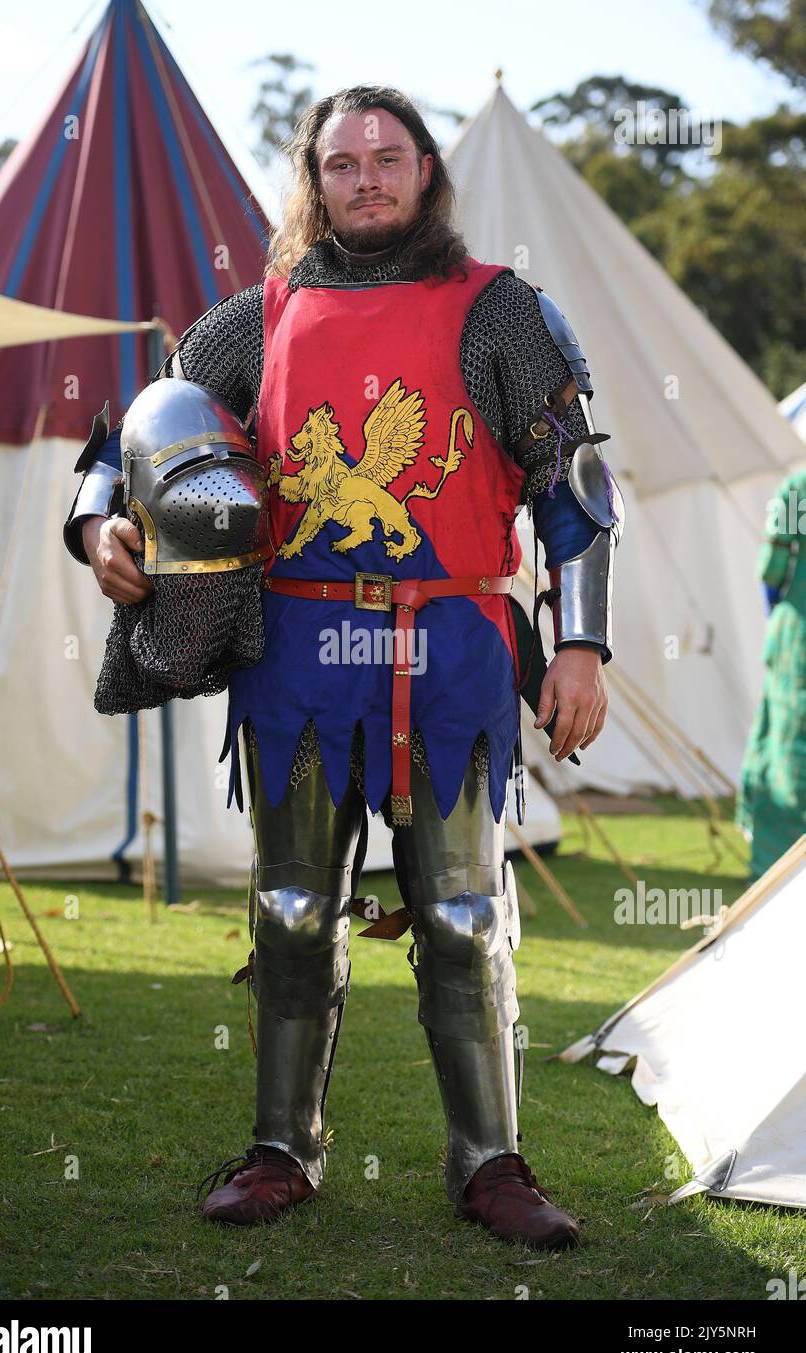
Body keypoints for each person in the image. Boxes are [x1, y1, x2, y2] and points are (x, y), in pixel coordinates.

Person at [63, 85, 623, 1250]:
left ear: (424, 171)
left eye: (386, 157)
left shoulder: (500, 311)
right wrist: (98, 522)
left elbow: (571, 483)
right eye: (341, 161)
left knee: (461, 914)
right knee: (289, 907)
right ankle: (283, 1148)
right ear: (314, 181)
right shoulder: (257, 316)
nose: (365, 178)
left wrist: (577, 642)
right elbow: (140, 429)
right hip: (301, 651)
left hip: (451, 647)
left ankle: (491, 1161)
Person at [738, 466, 806, 881]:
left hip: (798, 644)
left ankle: (778, 871)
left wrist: (776, 614)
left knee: (787, 753)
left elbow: (772, 570)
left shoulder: (798, 488)